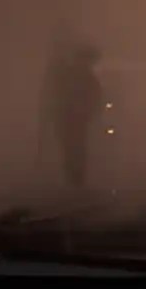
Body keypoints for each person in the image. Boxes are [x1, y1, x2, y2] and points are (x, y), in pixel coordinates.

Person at [42, 39, 105, 191]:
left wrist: (90, 113)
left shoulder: (85, 77)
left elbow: (95, 98)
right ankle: (73, 181)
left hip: (75, 120)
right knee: (72, 148)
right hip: (68, 118)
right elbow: (58, 95)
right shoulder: (73, 75)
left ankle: (75, 181)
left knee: (75, 148)